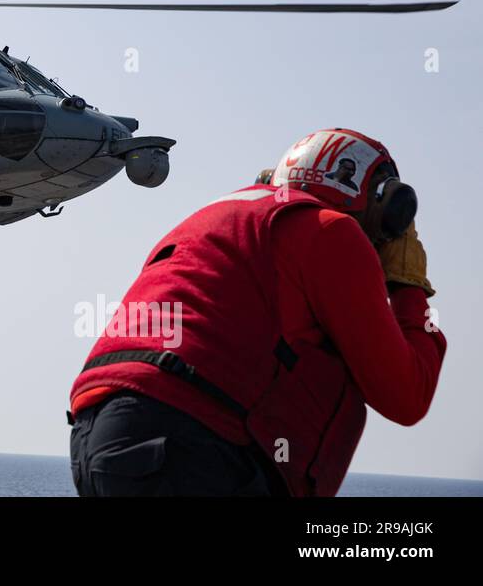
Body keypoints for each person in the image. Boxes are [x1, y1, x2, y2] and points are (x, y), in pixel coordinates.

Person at [67, 128, 446, 497]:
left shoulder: (217, 216)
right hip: (191, 442)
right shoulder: (331, 231)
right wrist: (408, 284)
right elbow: (406, 396)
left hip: (96, 433)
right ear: (384, 201)